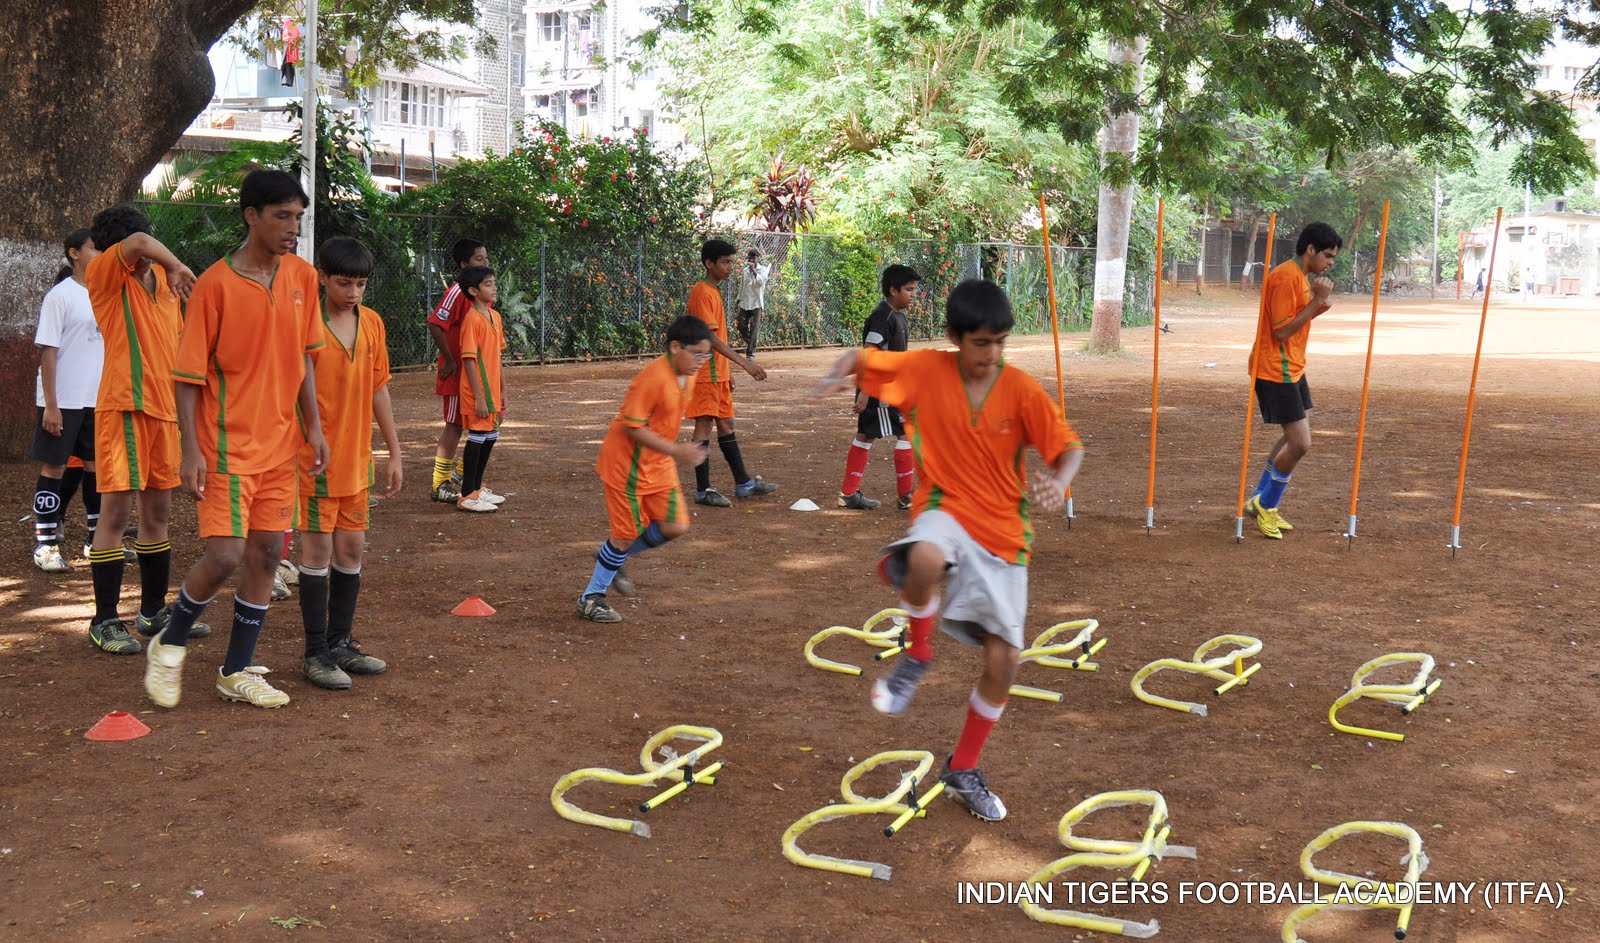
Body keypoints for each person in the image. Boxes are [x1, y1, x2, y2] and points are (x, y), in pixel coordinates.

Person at [812, 279, 1085, 822]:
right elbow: (858, 358)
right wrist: (836, 372)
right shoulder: (924, 371)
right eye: (982, 343)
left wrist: (1060, 480)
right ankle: (918, 652)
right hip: (944, 508)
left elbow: (1068, 447)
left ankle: (962, 768)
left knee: (1005, 660)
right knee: (923, 558)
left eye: (1001, 342)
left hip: (1006, 530)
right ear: (956, 339)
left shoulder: (1023, 390)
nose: (993, 354)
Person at [144, 169, 329, 709]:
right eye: (282, 216)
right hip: (224, 446)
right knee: (225, 555)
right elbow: (188, 376)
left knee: (268, 553)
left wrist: (313, 427)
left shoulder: (300, 277)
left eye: (298, 217)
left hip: (280, 444)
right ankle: (170, 643)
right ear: (251, 215)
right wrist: (190, 448)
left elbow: (302, 359)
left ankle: (236, 670)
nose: (292, 227)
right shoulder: (214, 286)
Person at [83, 205, 208, 655]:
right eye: (142, 244)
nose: (147, 251)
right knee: (115, 515)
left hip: (165, 412)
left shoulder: (165, 283)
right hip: (124, 408)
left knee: (157, 515)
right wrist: (174, 262)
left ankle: (153, 611)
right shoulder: (104, 275)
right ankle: (104, 620)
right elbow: (135, 245)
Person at [296, 237, 402, 690]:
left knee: (351, 551)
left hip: (357, 460)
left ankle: (340, 643)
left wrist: (395, 451)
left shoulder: (372, 324)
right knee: (317, 554)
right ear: (322, 277)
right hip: (315, 461)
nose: (353, 292)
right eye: (344, 282)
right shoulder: (306, 323)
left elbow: (379, 388)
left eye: (360, 284)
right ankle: (315, 651)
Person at [577, 316, 713, 623]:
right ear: (675, 347)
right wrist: (677, 450)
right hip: (627, 466)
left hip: (658, 463)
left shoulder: (687, 373)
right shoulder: (652, 378)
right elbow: (632, 426)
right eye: (697, 354)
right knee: (624, 535)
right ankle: (591, 597)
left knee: (674, 525)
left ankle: (612, 559)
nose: (701, 362)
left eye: (706, 356)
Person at [1243, 221, 1341, 539]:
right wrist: (1316, 302)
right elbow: (1282, 331)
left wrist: (1318, 303)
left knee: (1292, 438)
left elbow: (1298, 319)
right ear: (1310, 249)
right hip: (1276, 370)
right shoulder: (1286, 277)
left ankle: (1258, 498)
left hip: (1293, 368)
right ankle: (1266, 505)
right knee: (1300, 443)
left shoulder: (1301, 277)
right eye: (1327, 256)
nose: (1329, 263)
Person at [29, 229, 102, 573]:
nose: (99, 251)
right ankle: (45, 545)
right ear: (74, 253)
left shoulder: (108, 293)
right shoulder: (60, 296)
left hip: (99, 399)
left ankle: (96, 542)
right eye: (92, 247)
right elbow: (48, 352)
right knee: (55, 467)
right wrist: (52, 405)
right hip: (63, 400)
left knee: (97, 469)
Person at [686, 239, 777, 507]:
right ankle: (703, 490)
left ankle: (744, 483)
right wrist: (744, 363)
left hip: (717, 374)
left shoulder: (713, 291)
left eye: (730, 262)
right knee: (703, 427)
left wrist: (727, 371)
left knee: (726, 425)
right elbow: (710, 339)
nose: (729, 267)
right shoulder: (702, 292)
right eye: (724, 262)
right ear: (709, 263)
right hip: (705, 374)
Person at [838, 264, 921, 511]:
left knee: (866, 435)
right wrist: (865, 391)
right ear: (893, 290)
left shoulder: (897, 316)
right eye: (908, 290)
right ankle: (906, 496)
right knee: (905, 432)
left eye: (914, 290)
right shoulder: (882, 317)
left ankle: (849, 494)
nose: (912, 294)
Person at [425, 238, 492, 503]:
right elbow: (435, 323)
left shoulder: (480, 294)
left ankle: (464, 475)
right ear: (464, 264)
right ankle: (439, 482)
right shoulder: (456, 292)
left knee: (477, 421)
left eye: (486, 258)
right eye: (479, 259)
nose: (485, 263)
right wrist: (450, 360)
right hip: (457, 371)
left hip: (474, 372)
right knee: (454, 424)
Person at [454, 266, 507, 513]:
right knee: (477, 436)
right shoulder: (471, 320)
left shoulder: (494, 316)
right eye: (488, 284)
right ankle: (466, 494)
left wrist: (503, 390)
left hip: (493, 390)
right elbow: (468, 359)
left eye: (494, 283)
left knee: (491, 436)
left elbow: (497, 356)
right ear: (474, 291)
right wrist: (478, 397)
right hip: (477, 392)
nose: (494, 287)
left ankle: (476, 489)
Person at [735, 248, 771, 360]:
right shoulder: (745, 271)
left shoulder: (763, 270)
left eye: (754, 258)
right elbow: (742, 286)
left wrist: (754, 272)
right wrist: (738, 299)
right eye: (750, 258)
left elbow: (761, 282)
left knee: (754, 327)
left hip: (756, 303)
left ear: (757, 258)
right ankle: (752, 342)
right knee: (741, 325)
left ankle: (750, 353)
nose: (751, 260)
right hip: (745, 302)